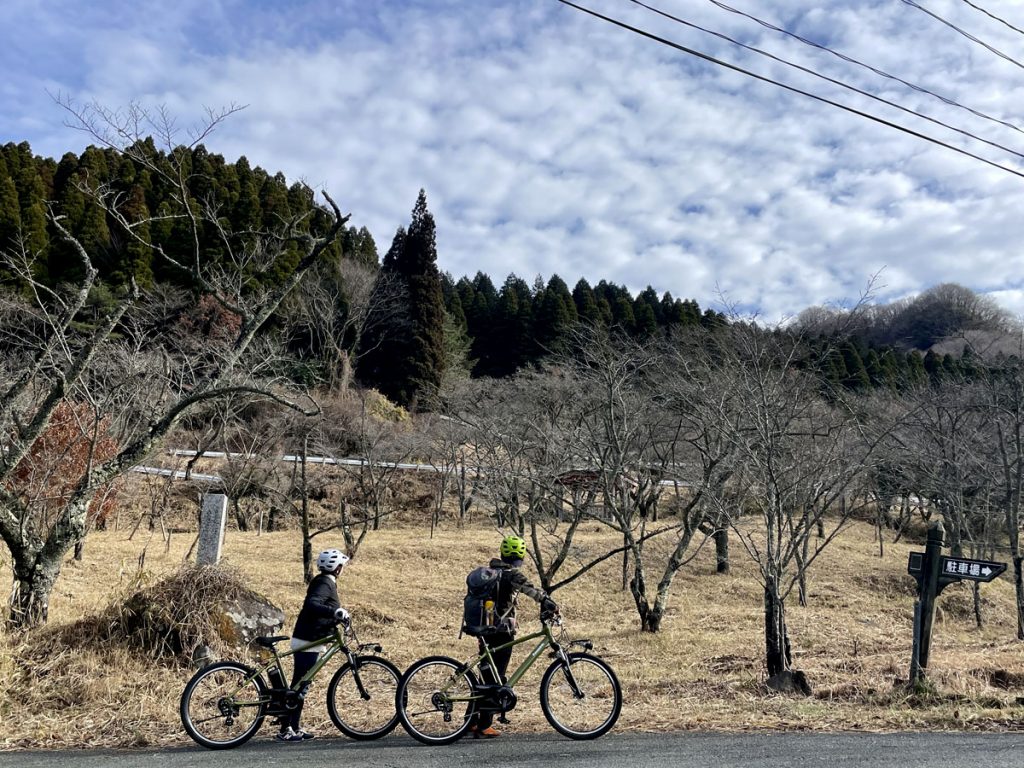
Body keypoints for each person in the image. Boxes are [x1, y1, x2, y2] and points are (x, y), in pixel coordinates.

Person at [469, 535, 558, 739]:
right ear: (519, 557)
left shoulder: (490, 572)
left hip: (484, 627)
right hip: (502, 631)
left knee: (485, 675)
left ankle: (471, 721)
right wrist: (548, 602)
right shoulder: (511, 574)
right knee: (496, 677)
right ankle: (484, 725)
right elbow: (532, 590)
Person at [277, 548, 351, 743]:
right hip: (308, 639)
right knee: (299, 687)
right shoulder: (324, 583)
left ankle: (294, 727)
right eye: (342, 566)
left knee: (302, 686)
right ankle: (286, 729)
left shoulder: (325, 582)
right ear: (337, 568)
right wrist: (335, 612)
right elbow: (312, 604)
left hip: (311, 638)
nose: (342, 569)